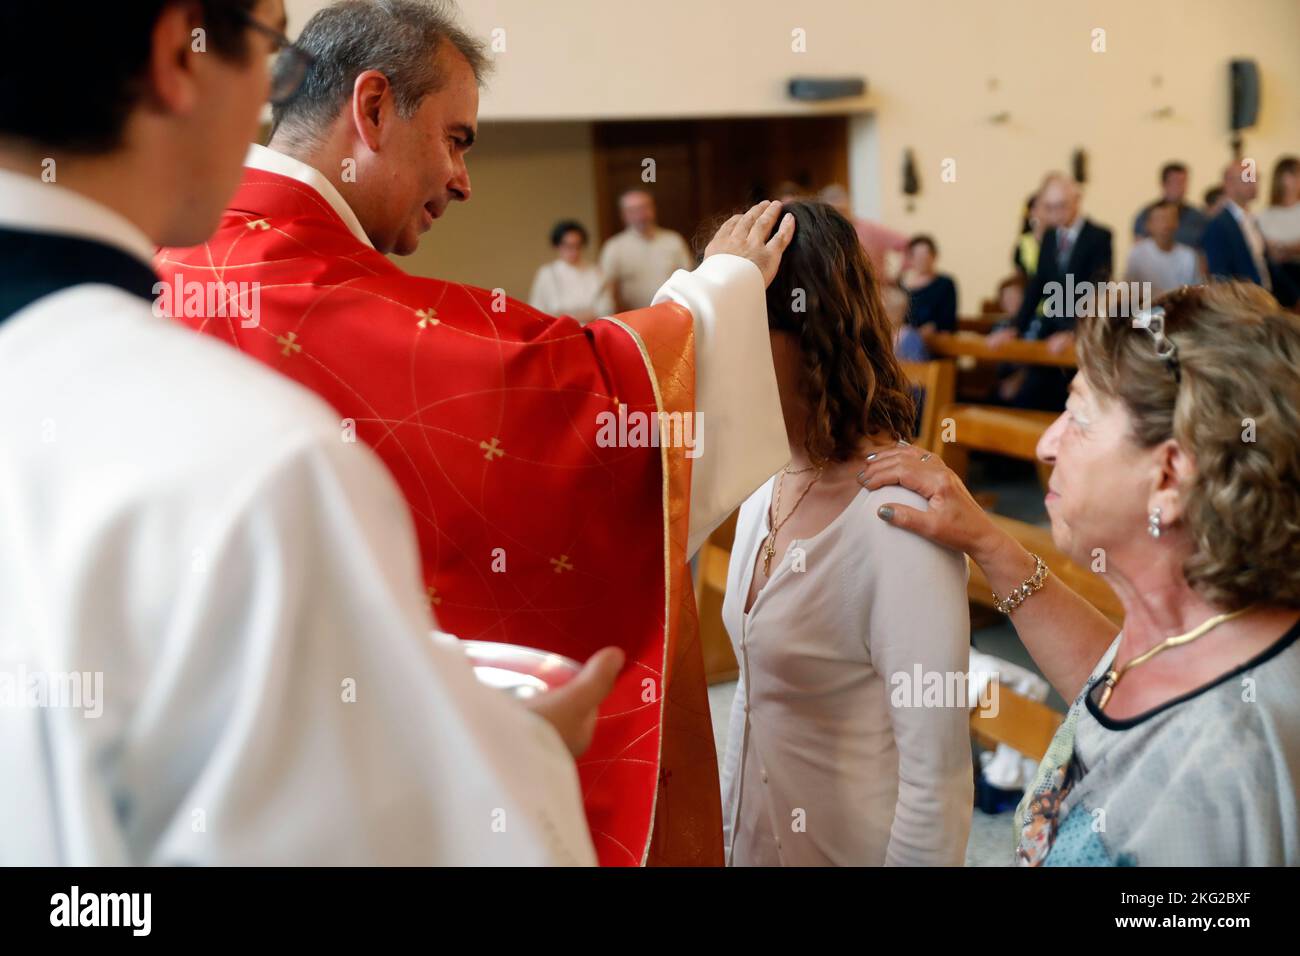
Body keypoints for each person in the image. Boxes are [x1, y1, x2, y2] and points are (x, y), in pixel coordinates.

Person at [155, 0, 796, 867]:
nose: (464, 181)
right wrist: (717, 292)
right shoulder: (284, 276)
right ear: (372, 110)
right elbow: (545, 392)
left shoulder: (193, 248)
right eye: (457, 140)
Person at [0, 0, 622, 866]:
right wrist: (518, 753)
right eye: (268, 52)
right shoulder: (265, 468)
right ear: (181, 53)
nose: (272, 101)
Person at [861, 282, 1300, 865]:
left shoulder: (1222, 768)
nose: (1047, 446)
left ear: (1169, 475)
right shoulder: (1198, 628)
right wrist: (988, 543)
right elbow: (1122, 703)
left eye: (1077, 416)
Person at [721, 201, 972, 866]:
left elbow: (937, 784)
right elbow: (751, 699)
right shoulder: (763, 486)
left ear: (808, 333)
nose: (719, 359)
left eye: (740, 329)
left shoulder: (898, 522)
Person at [992, 172, 1112, 410]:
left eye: (1061, 206)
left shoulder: (1099, 237)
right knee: (1028, 399)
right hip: (1048, 332)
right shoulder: (1048, 236)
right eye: (1049, 207)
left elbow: (1097, 288)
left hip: (1081, 333)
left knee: (1067, 402)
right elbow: (1038, 285)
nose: (1056, 213)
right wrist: (1014, 327)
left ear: (1077, 200)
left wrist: (1072, 332)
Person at [1202, 162, 1297, 305]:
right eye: (1247, 178)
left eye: (1256, 178)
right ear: (1229, 184)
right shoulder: (1219, 224)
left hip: (1266, 299)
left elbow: (1262, 264)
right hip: (1245, 305)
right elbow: (1220, 276)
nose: (1254, 183)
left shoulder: (1251, 220)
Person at [599, 188, 695, 310]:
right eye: (633, 210)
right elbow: (609, 290)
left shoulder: (674, 241)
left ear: (653, 209)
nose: (640, 215)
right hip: (632, 320)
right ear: (624, 215)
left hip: (672, 314)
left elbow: (688, 279)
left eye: (644, 207)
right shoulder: (613, 247)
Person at [528, 219, 613, 323]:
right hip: (557, 332)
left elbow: (605, 309)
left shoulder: (595, 272)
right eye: (568, 246)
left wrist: (563, 315)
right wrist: (582, 315)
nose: (573, 251)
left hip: (590, 330)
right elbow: (537, 310)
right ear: (557, 246)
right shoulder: (546, 273)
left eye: (577, 245)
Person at [820, 183, 908, 279]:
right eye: (832, 211)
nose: (838, 215)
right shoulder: (820, 233)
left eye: (842, 210)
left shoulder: (870, 229)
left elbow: (908, 245)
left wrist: (898, 276)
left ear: (848, 206)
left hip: (874, 289)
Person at [1124, 201, 1201, 296]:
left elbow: (1194, 290)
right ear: (1148, 225)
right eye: (1160, 219)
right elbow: (1129, 290)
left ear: (1177, 222)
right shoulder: (1137, 253)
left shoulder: (1189, 255)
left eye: (1170, 218)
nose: (1166, 224)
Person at [1132, 161, 1207, 247]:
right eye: (1175, 182)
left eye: (1183, 182)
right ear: (1163, 184)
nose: (1180, 187)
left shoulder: (1198, 217)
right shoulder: (1147, 214)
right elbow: (1139, 245)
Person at [1258, 155, 1300, 294]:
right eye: (1293, 174)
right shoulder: (1265, 215)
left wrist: (1285, 248)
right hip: (1278, 278)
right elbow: (1267, 249)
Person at [900, 234, 958, 333]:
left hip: (932, 341)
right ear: (910, 258)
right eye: (917, 256)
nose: (921, 261)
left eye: (925, 256)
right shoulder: (901, 286)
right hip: (902, 337)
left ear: (934, 256)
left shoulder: (945, 284)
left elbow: (947, 320)